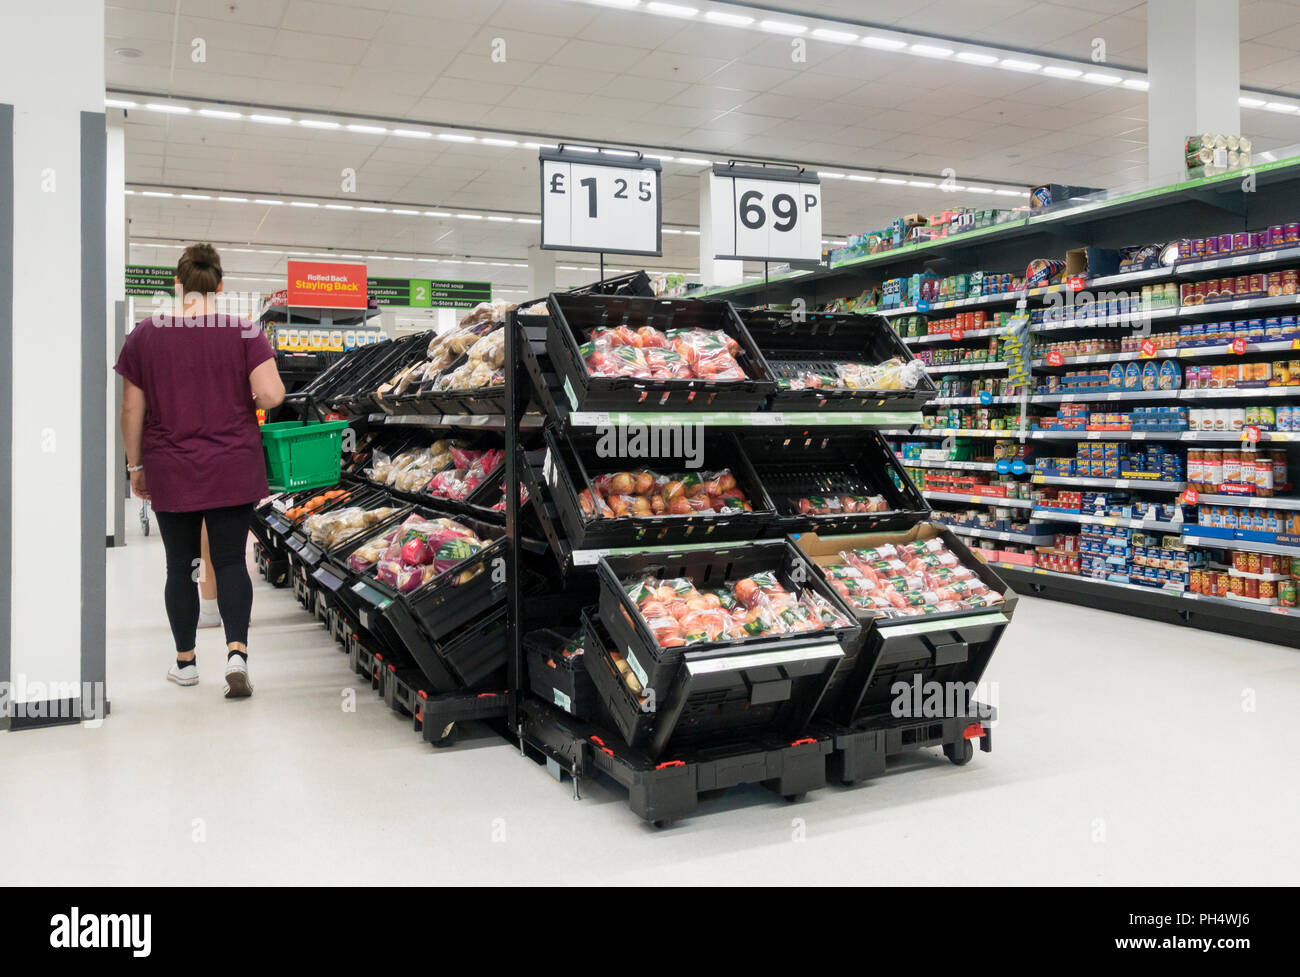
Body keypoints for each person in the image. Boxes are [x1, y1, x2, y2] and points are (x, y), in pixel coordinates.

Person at [115, 243, 285, 698]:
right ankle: (236, 654)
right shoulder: (244, 331)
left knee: (182, 567)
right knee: (230, 560)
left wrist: (135, 465)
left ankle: (186, 663)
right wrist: (235, 400)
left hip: (170, 466)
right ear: (221, 285)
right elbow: (271, 395)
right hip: (232, 464)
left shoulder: (145, 335)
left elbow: (132, 408)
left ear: (178, 284)